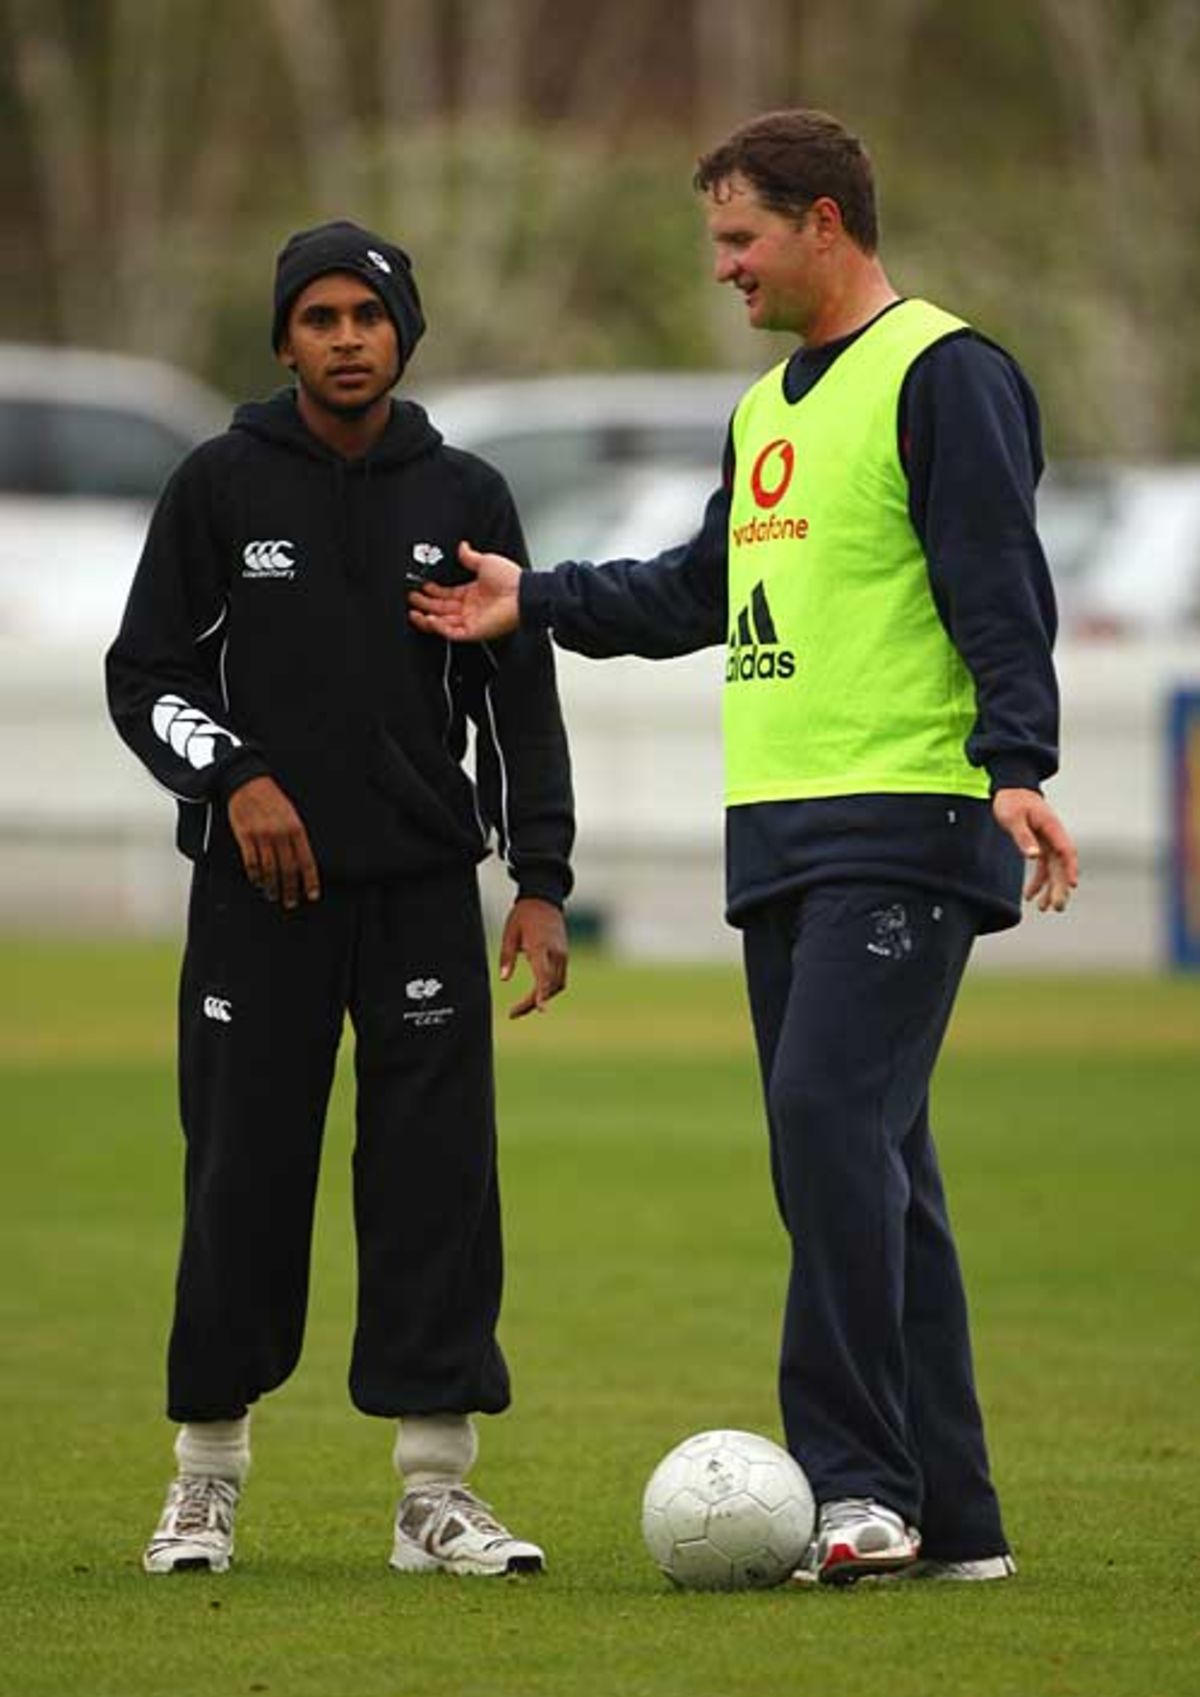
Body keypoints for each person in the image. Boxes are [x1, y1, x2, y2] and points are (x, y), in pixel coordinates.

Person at [409, 110, 1079, 1586]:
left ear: (825, 221)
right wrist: (545, 599)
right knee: (874, 1158)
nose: (723, 268)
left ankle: (857, 1486)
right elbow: (706, 586)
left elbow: (997, 581)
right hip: (783, 837)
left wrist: (1018, 763)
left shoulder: (947, 374)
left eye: (739, 238)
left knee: (827, 1123)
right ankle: (952, 1516)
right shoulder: (772, 405)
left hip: (909, 819)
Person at [106, 220, 574, 1578]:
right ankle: (204, 1477)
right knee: (241, 1170)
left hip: (426, 891)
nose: (345, 337)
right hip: (258, 901)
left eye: (366, 315)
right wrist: (239, 779)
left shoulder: (470, 495)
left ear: (404, 333)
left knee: (437, 1183)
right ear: (284, 341)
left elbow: (522, 703)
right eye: (317, 318)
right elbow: (147, 678)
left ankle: (436, 1493)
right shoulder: (217, 486)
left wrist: (539, 879)